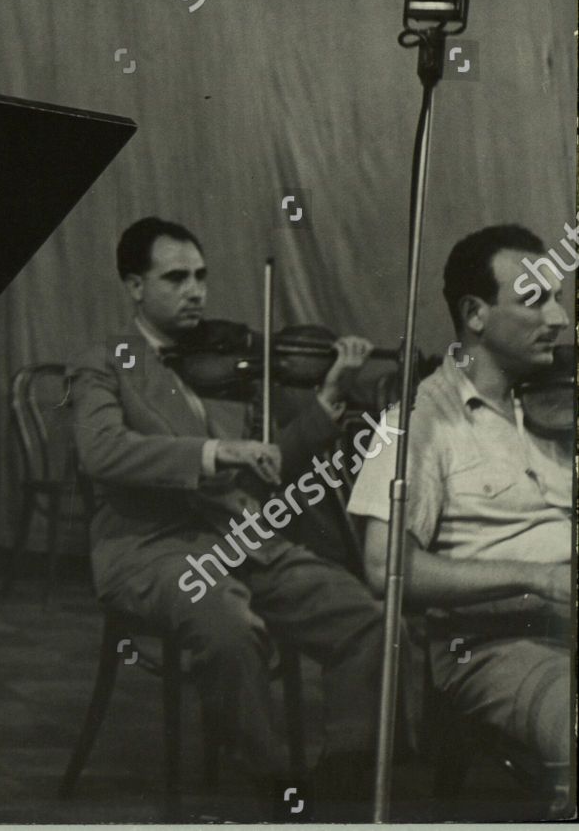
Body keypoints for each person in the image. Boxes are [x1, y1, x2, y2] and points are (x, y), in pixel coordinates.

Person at [70, 216, 384, 814]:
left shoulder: (197, 367)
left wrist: (329, 396)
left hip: (239, 541)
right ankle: (271, 778)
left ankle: (342, 774)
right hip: (150, 551)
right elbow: (100, 452)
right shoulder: (103, 362)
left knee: (364, 618)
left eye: (202, 277)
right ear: (135, 287)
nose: (196, 291)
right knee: (229, 627)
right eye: (177, 278)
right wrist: (216, 450)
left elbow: (261, 468)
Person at [349, 224, 574, 816]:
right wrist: (539, 578)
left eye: (560, 297)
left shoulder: (556, 400)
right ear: (475, 315)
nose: (560, 317)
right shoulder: (417, 421)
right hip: (493, 645)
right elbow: (384, 567)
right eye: (535, 299)